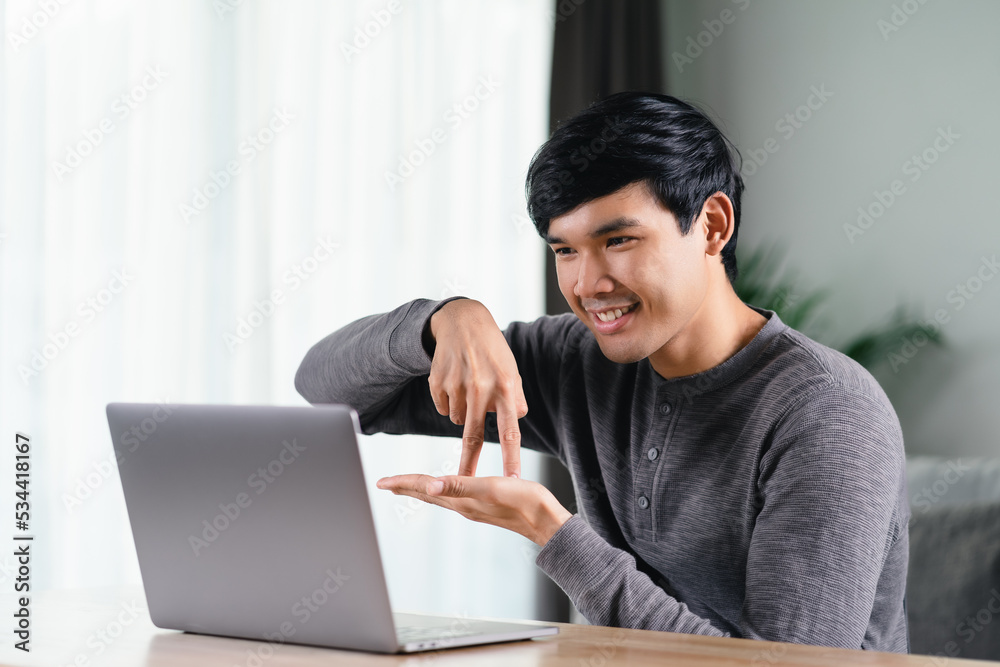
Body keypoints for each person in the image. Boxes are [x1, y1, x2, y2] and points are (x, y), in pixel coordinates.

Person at [294, 91, 910, 652]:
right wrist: (441, 321)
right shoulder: (573, 361)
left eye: (619, 241)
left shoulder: (828, 412)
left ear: (713, 226)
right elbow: (329, 392)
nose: (587, 286)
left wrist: (552, 531)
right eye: (565, 250)